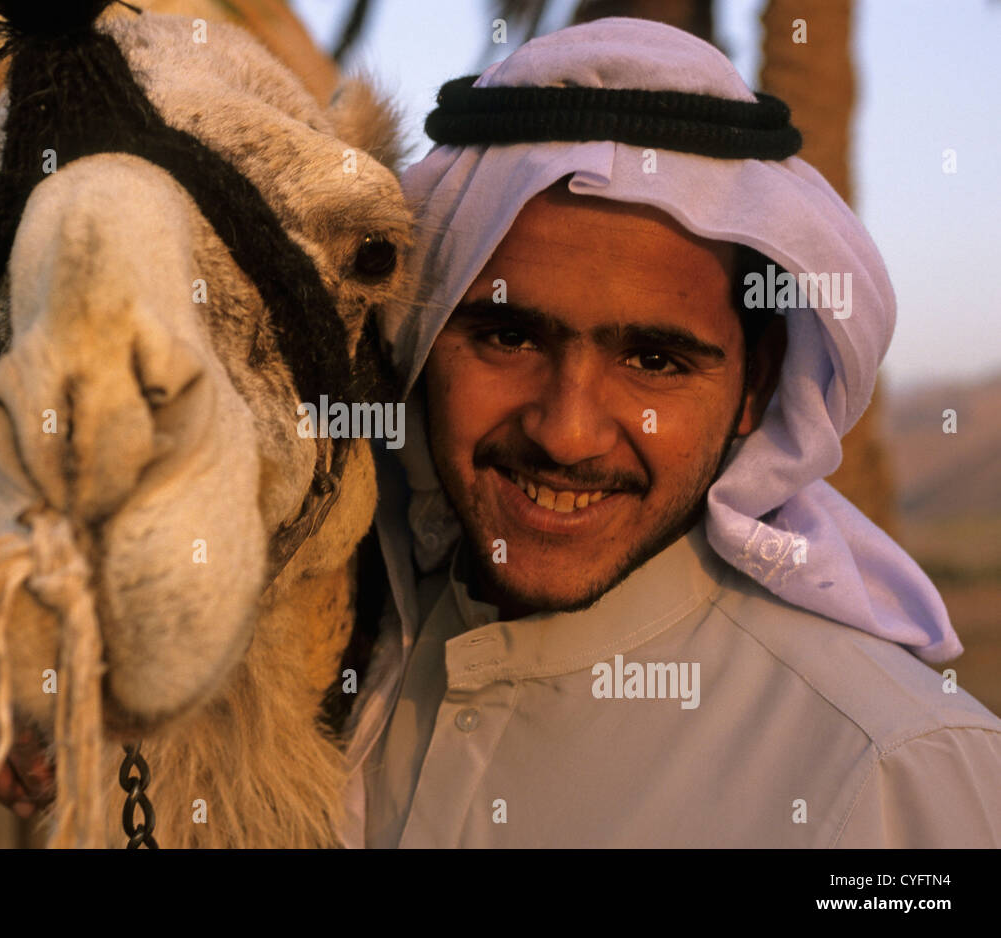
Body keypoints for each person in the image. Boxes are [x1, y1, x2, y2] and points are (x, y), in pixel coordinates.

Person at [339, 17, 1001, 848]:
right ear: (423, 343)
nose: (568, 434)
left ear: (755, 385)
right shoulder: (331, 664)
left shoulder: (890, 776)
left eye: (653, 360)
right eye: (509, 338)